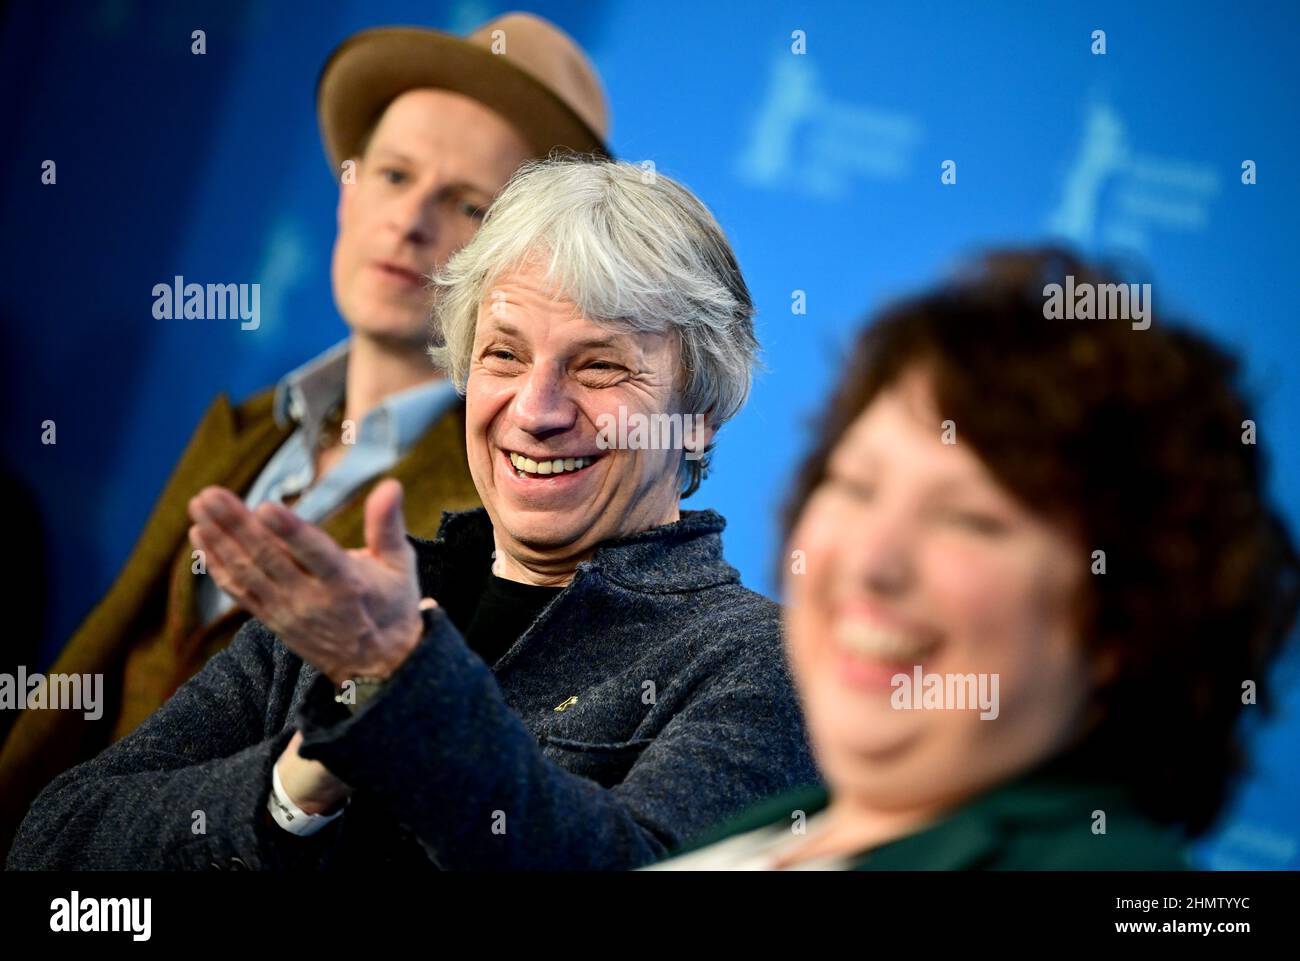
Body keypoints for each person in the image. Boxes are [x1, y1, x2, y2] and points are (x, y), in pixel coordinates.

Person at [7, 157, 818, 871]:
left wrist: (405, 696)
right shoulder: (355, 607)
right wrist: (299, 779)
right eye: (502, 354)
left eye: (600, 366)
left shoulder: (761, 663)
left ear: (702, 410)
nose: (536, 409)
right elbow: (55, 846)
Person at [0, 12, 609, 859]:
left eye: (470, 203)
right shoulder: (246, 427)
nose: (409, 221)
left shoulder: (511, 512)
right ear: (347, 191)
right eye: (393, 174)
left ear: (529, 262)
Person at [650, 248, 1299, 870]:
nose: (873, 560)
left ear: (1124, 620)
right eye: (856, 485)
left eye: (969, 519)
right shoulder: (778, 823)